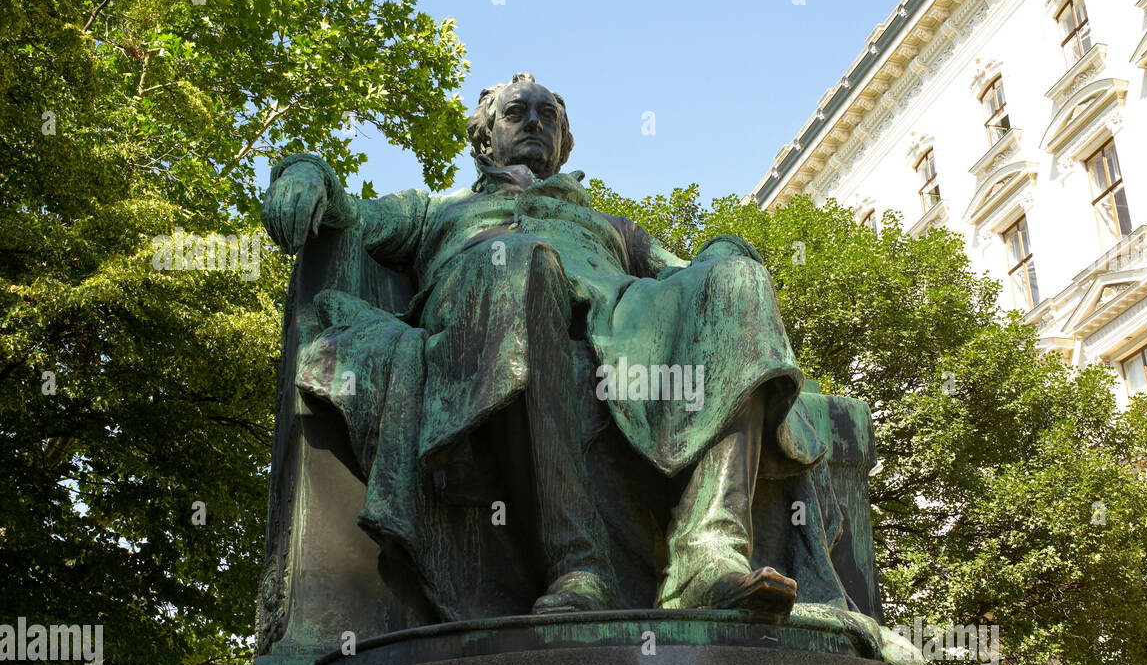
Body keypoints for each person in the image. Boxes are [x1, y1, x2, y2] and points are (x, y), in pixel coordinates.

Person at [261, 72, 832, 620]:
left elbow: (684, 272)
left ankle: (709, 556)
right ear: (485, 136)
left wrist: (724, 253)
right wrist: (305, 170)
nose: (534, 122)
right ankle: (577, 566)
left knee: (736, 276)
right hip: (491, 313)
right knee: (520, 265)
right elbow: (352, 215)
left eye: (548, 116)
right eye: (517, 112)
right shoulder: (436, 208)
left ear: (563, 141)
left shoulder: (614, 228)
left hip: (618, 322)